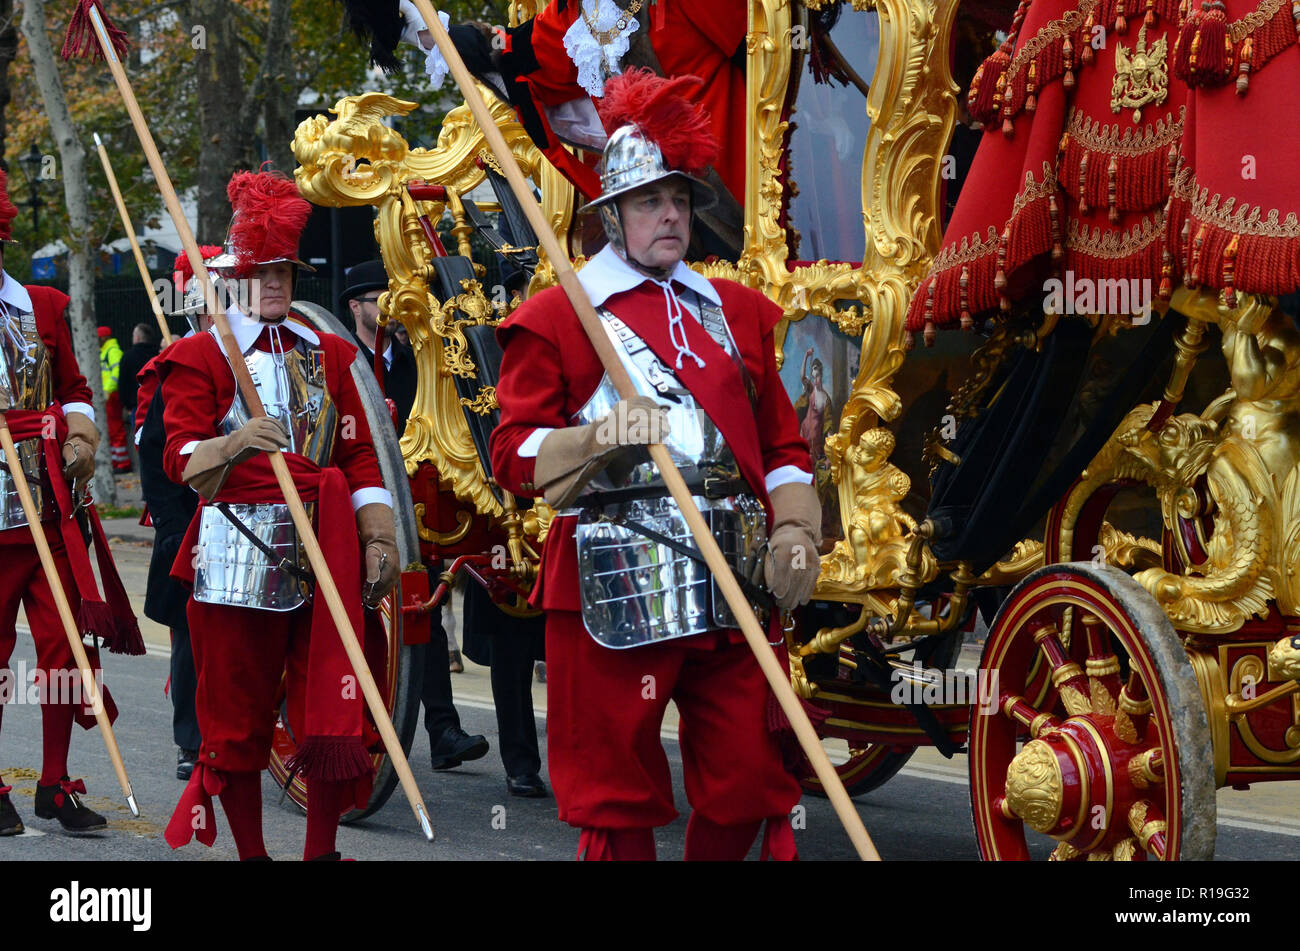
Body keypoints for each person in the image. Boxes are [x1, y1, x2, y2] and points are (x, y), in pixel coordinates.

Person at [489, 69, 821, 859]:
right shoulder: (560, 318)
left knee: (747, 778)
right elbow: (512, 452)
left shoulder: (734, 313)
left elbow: (779, 446)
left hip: (734, 574)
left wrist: (798, 528)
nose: (671, 215)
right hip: (616, 568)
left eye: (680, 199)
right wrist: (596, 439)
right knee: (619, 797)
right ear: (613, 217)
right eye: (650, 202)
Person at [158, 170, 399, 860]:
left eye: (285, 272)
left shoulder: (328, 352)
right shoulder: (201, 354)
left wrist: (378, 533)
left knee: (332, 708)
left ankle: (319, 852)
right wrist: (234, 441)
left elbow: (355, 454)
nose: (274, 284)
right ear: (235, 276)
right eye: (261, 272)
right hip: (238, 552)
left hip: (328, 551)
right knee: (236, 722)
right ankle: (254, 856)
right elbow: (180, 457)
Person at [0, 168, 141, 835]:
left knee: (65, 652)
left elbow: (78, 387)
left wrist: (83, 438)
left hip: (50, 511)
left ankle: (53, 783)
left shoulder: (45, 306)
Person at [338, 259, 490, 772]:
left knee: (424, 616)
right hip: (358, 508)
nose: (386, 305)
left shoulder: (411, 360)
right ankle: (356, 729)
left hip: (412, 507)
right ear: (354, 306)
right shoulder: (337, 361)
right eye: (374, 297)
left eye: (391, 294)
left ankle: (443, 731)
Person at [134, 250, 224, 781]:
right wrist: (175, 529)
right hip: (194, 521)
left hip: (260, 512)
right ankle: (191, 740)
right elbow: (156, 456)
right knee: (193, 635)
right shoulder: (176, 365)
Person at [339, 259, 417, 431]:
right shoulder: (343, 366)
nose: (390, 308)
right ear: (355, 307)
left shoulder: (417, 361)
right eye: (381, 300)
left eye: (394, 299)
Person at [97, 326, 131, 473]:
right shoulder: (105, 351)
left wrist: (107, 390)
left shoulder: (112, 351)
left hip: (111, 395)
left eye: (98, 338)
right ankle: (117, 462)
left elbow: (116, 374)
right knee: (110, 430)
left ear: (104, 338)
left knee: (115, 429)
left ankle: (123, 464)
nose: (96, 341)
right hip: (108, 395)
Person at [117, 322, 160, 432]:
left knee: (140, 438)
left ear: (137, 337)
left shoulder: (128, 357)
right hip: (159, 403)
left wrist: (127, 405)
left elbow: (123, 383)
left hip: (137, 405)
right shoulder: (158, 354)